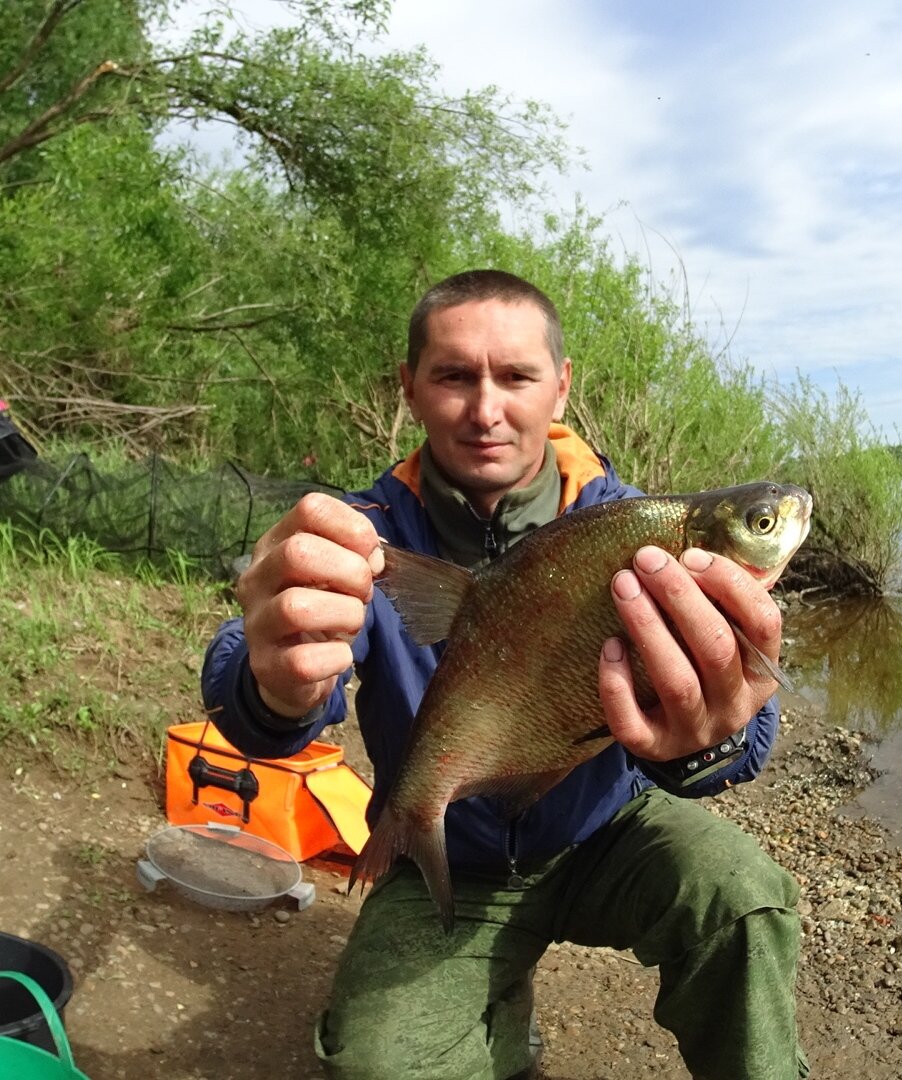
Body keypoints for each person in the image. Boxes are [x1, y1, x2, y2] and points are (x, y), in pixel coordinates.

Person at [203, 269, 808, 1080]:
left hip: (608, 830)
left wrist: (707, 739)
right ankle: (496, 1009)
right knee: (376, 1061)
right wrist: (274, 684)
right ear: (409, 389)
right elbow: (242, 665)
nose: (486, 410)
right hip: (458, 845)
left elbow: (745, 738)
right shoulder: (363, 537)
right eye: (454, 375)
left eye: (517, 376)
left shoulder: (638, 525)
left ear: (560, 389)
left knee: (742, 895)